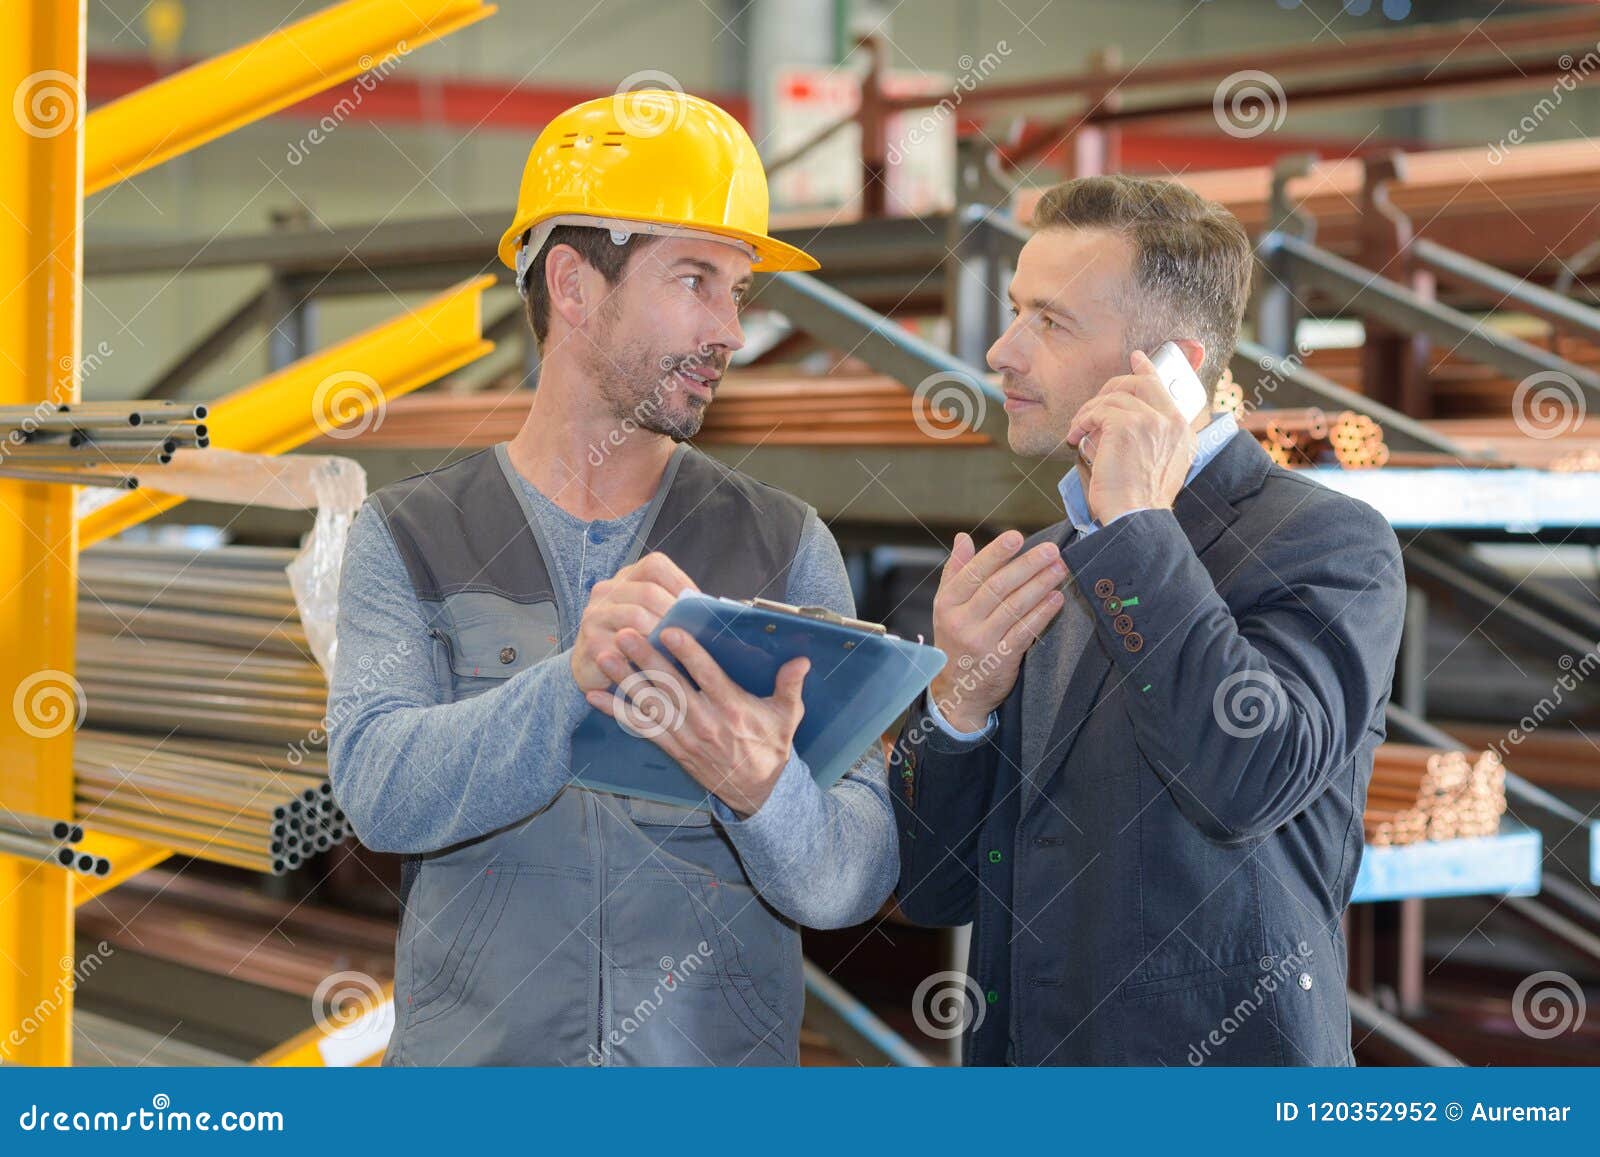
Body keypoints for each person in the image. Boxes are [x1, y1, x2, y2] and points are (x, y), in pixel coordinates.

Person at [328, 91, 897, 1066]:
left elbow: (853, 872)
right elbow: (377, 790)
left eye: (737, 292)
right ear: (574, 286)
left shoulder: (779, 544)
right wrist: (566, 689)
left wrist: (767, 789)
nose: (730, 330)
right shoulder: (409, 532)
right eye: (694, 280)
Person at [891, 174, 1405, 1066]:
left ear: (1170, 364)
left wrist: (1137, 527)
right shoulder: (1045, 561)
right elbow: (935, 888)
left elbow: (1245, 777)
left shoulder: (1331, 544)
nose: (1002, 352)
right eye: (1015, 311)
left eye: (1049, 322)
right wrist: (957, 704)